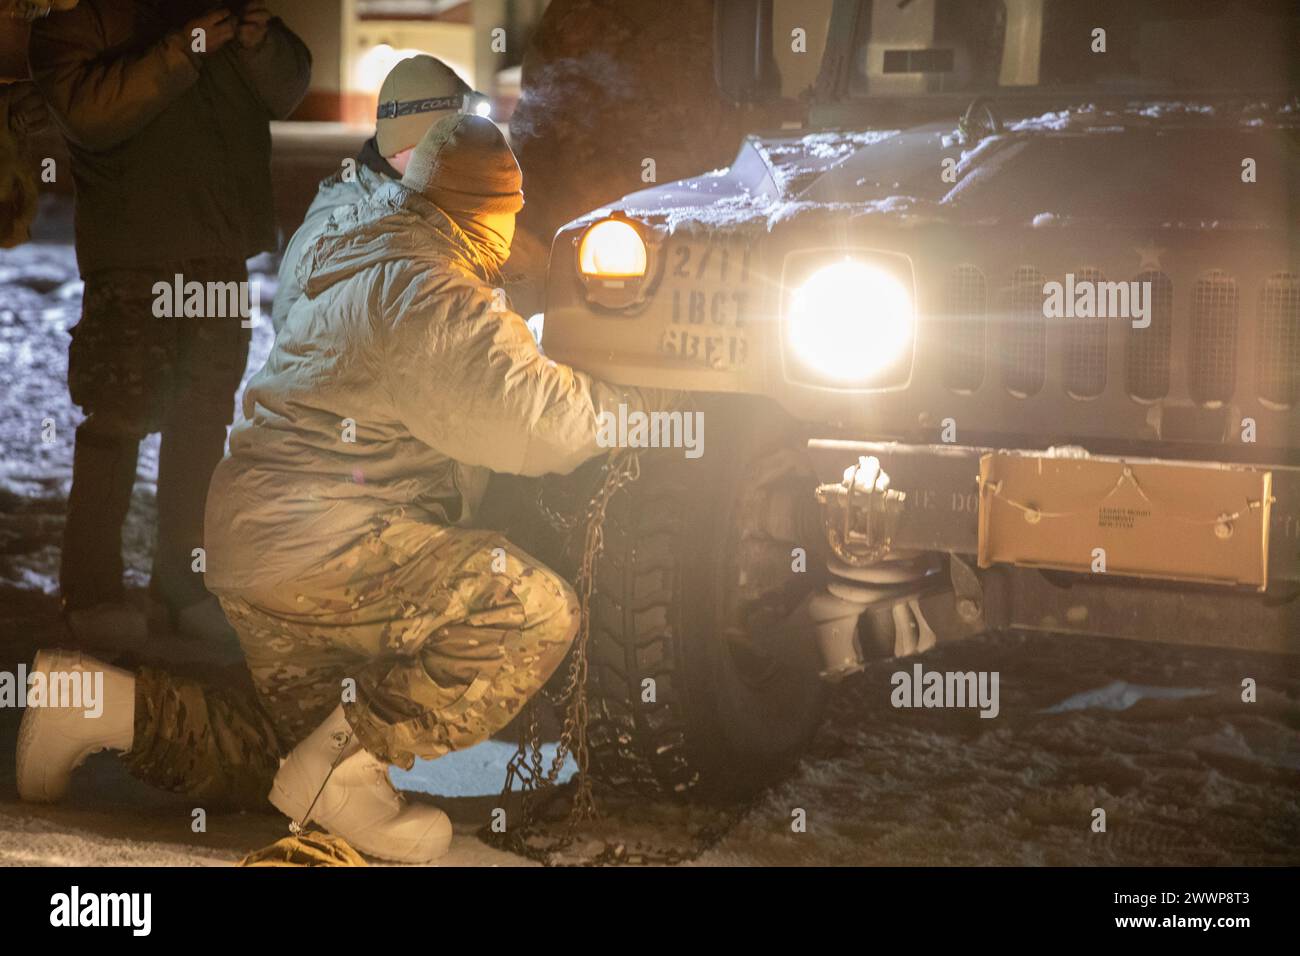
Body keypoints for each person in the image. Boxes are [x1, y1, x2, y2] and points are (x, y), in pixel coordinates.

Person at [17, 114, 677, 864]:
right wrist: (646, 414)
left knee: (285, 746)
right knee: (529, 609)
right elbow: (531, 420)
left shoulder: (366, 244)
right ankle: (344, 772)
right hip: (327, 545)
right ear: (498, 210)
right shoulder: (429, 291)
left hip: (263, 542)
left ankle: (98, 710)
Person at [27, 0, 310, 648]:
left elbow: (287, 88)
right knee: (118, 417)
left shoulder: (222, 5)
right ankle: (91, 595)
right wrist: (182, 52)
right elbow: (88, 113)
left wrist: (262, 42)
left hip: (218, 248)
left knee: (203, 420)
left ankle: (183, 589)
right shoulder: (80, 11)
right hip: (133, 251)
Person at [272, 53, 473, 333]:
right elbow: (296, 327)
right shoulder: (342, 218)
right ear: (422, 137)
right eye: (458, 133)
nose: (469, 149)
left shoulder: (435, 194)